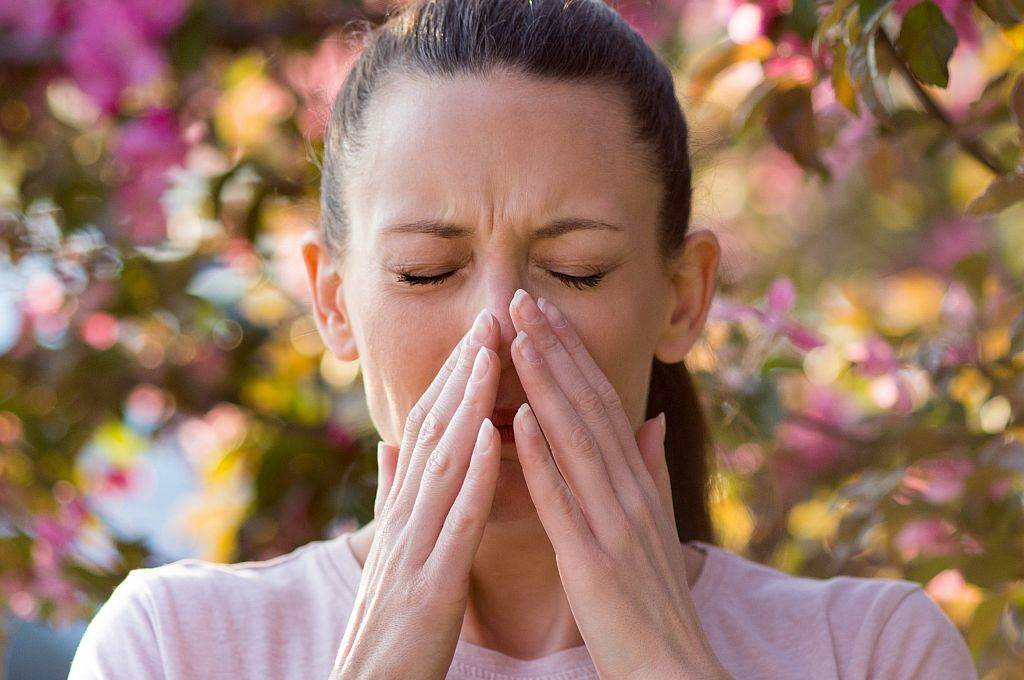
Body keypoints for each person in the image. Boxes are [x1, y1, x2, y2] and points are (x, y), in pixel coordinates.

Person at [69, 0, 979, 678]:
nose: (499, 329)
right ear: (334, 302)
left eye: (576, 269)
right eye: (428, 271)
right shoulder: (174, 646)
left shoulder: (868, 651)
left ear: (682, 295)